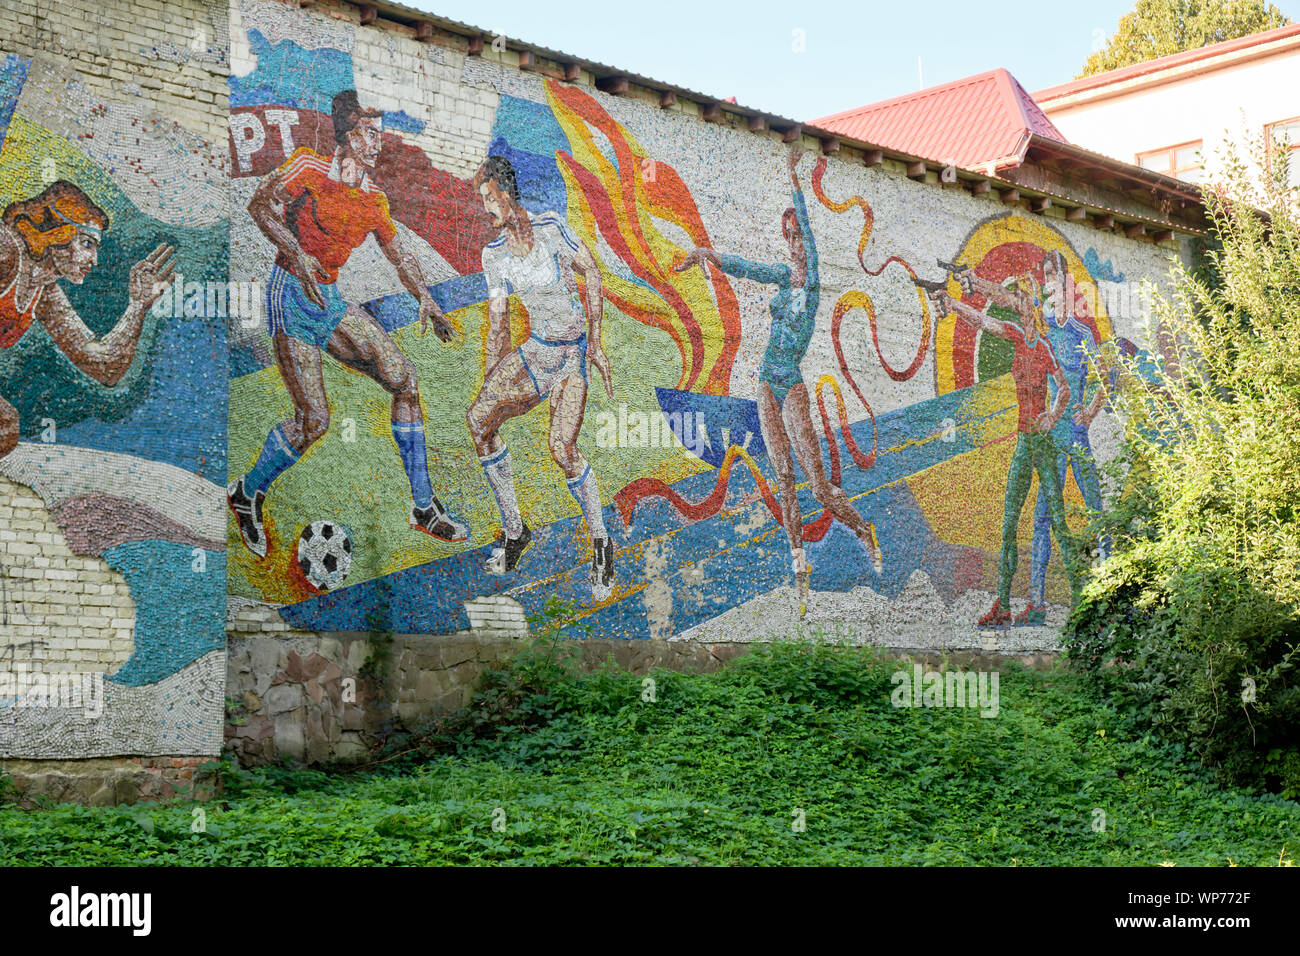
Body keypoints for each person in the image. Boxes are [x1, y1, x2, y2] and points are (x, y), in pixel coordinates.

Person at [228, 89, 466, 559]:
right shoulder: (307, 168)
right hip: (291, 295)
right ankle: (245, 492)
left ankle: (423, 507)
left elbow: (399, 255)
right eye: (369, 132)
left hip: (330, 301)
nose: (378, 142)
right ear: (347, 132)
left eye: (381, 133)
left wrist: (427, 300)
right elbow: (259, 205)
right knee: (314, 421)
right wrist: (296, 253)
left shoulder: (374, 200)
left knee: (404, 379)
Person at [675, 145, 883, 608]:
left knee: (818, 485)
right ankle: (798, 570)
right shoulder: (781, 276)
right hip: (767, 382)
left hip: (791, 385)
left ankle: (863, 530)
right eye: (786, 235)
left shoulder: (810, 284)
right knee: (784, 480)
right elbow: (744, 267)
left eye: (796, 235)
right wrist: (705, 254)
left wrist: (793, 177)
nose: (792, 242)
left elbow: (809, 234)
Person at [466, 155, 616, 599]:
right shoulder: (492, 256)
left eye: (491, 199)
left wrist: (596, 343)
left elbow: (590, 269)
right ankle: (515, 532)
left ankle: (601, 542)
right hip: (536, 353)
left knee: (561, 447)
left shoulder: (551, 228)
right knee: (479, 421)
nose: (487, 209)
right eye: (483, 202)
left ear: (509, 196)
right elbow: (498, 326)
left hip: (571, 356)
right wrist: (493, 380)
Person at [928, 270, 1085, 628]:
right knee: (1008, 525)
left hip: (1041, 444)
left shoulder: (1043, 348)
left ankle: (1080, 602)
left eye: (1020, 300)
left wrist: (1053, 415)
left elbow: (1063, 389)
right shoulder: (1015, 335)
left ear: (1030, 305)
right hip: (1023, 441)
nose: (1016, 307)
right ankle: (1002, 605)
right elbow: (985, 321)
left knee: (1059, 522)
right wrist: (952, 305)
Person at [0, 180, 174, 458]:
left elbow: (105, 366)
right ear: (59, 233)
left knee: (5, 428)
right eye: (87, 244)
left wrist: (137, 306)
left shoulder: (43, 291)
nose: (94, 260)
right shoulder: (7, 251)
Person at [1022, 250, 1110, 625]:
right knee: (1043, 517)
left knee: (1096, 512)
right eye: (1043, 277)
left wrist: (1089, 413)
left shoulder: (1081, 333)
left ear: (1065, 280)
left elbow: (1108, 377)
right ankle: (1037, 603)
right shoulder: (1046, 336)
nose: (1046, 283)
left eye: (1050, 276)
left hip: (1077, 437)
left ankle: (1109, 597)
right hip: (1052, 442)